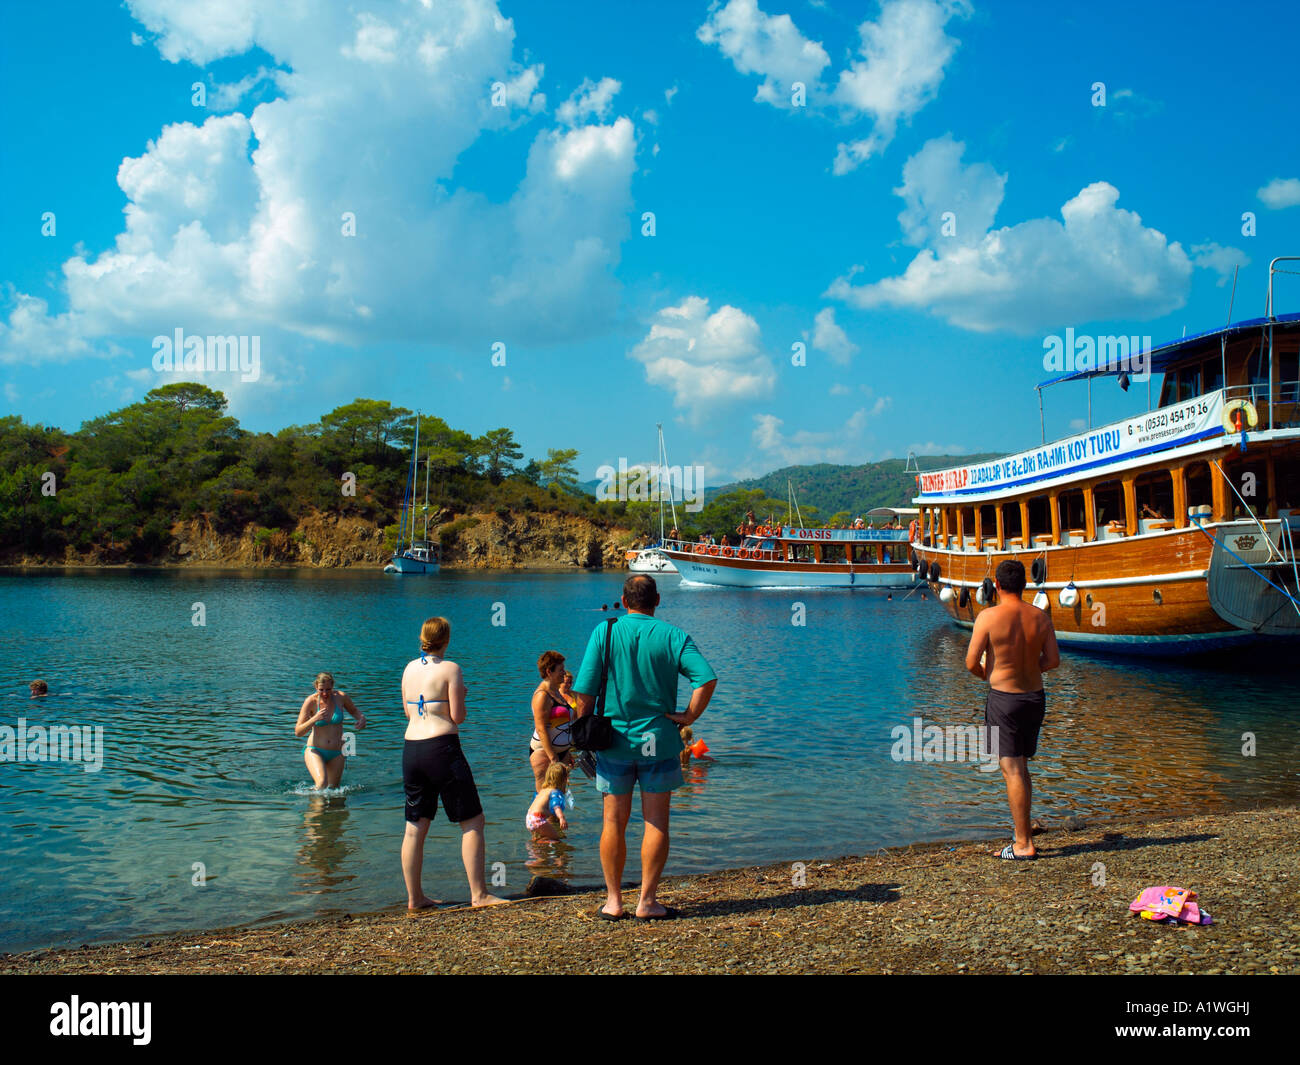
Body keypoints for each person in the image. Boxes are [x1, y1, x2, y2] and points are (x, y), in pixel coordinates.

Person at [573, 574, 717, 921]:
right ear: (657, 601)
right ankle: (647, 902)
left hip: (614, 743)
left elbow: (585, 693)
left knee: (613, 822)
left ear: (624, 601)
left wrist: (584, 732)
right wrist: (688, 715)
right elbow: (706, 678)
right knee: (656, 822)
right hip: (659, 740)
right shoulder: (673, 636)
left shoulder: (604, 632)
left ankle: (613, 902)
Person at [400, 617, 505, 909]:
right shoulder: (451, 669)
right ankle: (479, 894)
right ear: (446, 640)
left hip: (412, 750)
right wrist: (463, 697)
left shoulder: (408, 669)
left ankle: (415, 898)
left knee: (415, 826)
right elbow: (458, 717)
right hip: (441, 749)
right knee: (472, 821)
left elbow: (409, 714)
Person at [964, 560, 1061, 860]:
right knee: (1022, 767)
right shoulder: (1040, 617)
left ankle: (1022, 844)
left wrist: (990, 675)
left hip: (1004, 700)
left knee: (1012, 770)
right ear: (1025, 584)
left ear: (996, 583)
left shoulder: (988, 617)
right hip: (1034, 698)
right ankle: (1024, 835)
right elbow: (1053, 660)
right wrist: (1030, 668)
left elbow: (970, 662)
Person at [294, 672, 366, 789]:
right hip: (315, 750)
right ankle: (315, 806)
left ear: (333, 686)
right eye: (321, 690)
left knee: (333, 790)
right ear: (316, 687)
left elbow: (354, 711)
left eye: (328, 689)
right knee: (321, 784)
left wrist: (362, 719)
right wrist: (314, 719)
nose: (325, 693)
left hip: (337, 753)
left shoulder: (341, 697)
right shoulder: (310, 701)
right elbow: (298, 732)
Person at [530, 651, 575, 790]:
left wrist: (567, 752)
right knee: (544, 799)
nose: (564, 673)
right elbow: (541, 728)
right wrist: (553, 758)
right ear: (549, 671)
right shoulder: (542, 695)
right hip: (545, 753)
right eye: (560, 670)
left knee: (558, 798)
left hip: (561, 753)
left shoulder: (556, 692)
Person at [526, 762, 570, 840]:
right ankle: (542, 844)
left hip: (529, 818)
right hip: (538, 819)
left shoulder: (543, 790)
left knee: (540, 837)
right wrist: (561, 818)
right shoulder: (554, 792)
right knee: (555, 837)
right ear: (563, 780)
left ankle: (536, 847)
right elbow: (556, 806)